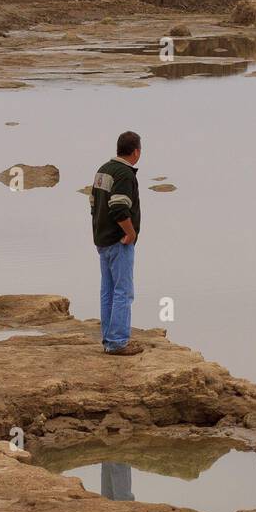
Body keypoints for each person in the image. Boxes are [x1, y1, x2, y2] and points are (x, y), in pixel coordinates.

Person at [90, 131, 143, 355]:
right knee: (123, 291)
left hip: (102, 239)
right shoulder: (124, 174)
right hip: (118, 241)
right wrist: (130, 234)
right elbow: (119, 207)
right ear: (136, 151)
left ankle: (109, 339)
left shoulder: (103, 169)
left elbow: (93, 202)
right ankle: (118, 342)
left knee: (108, 291)